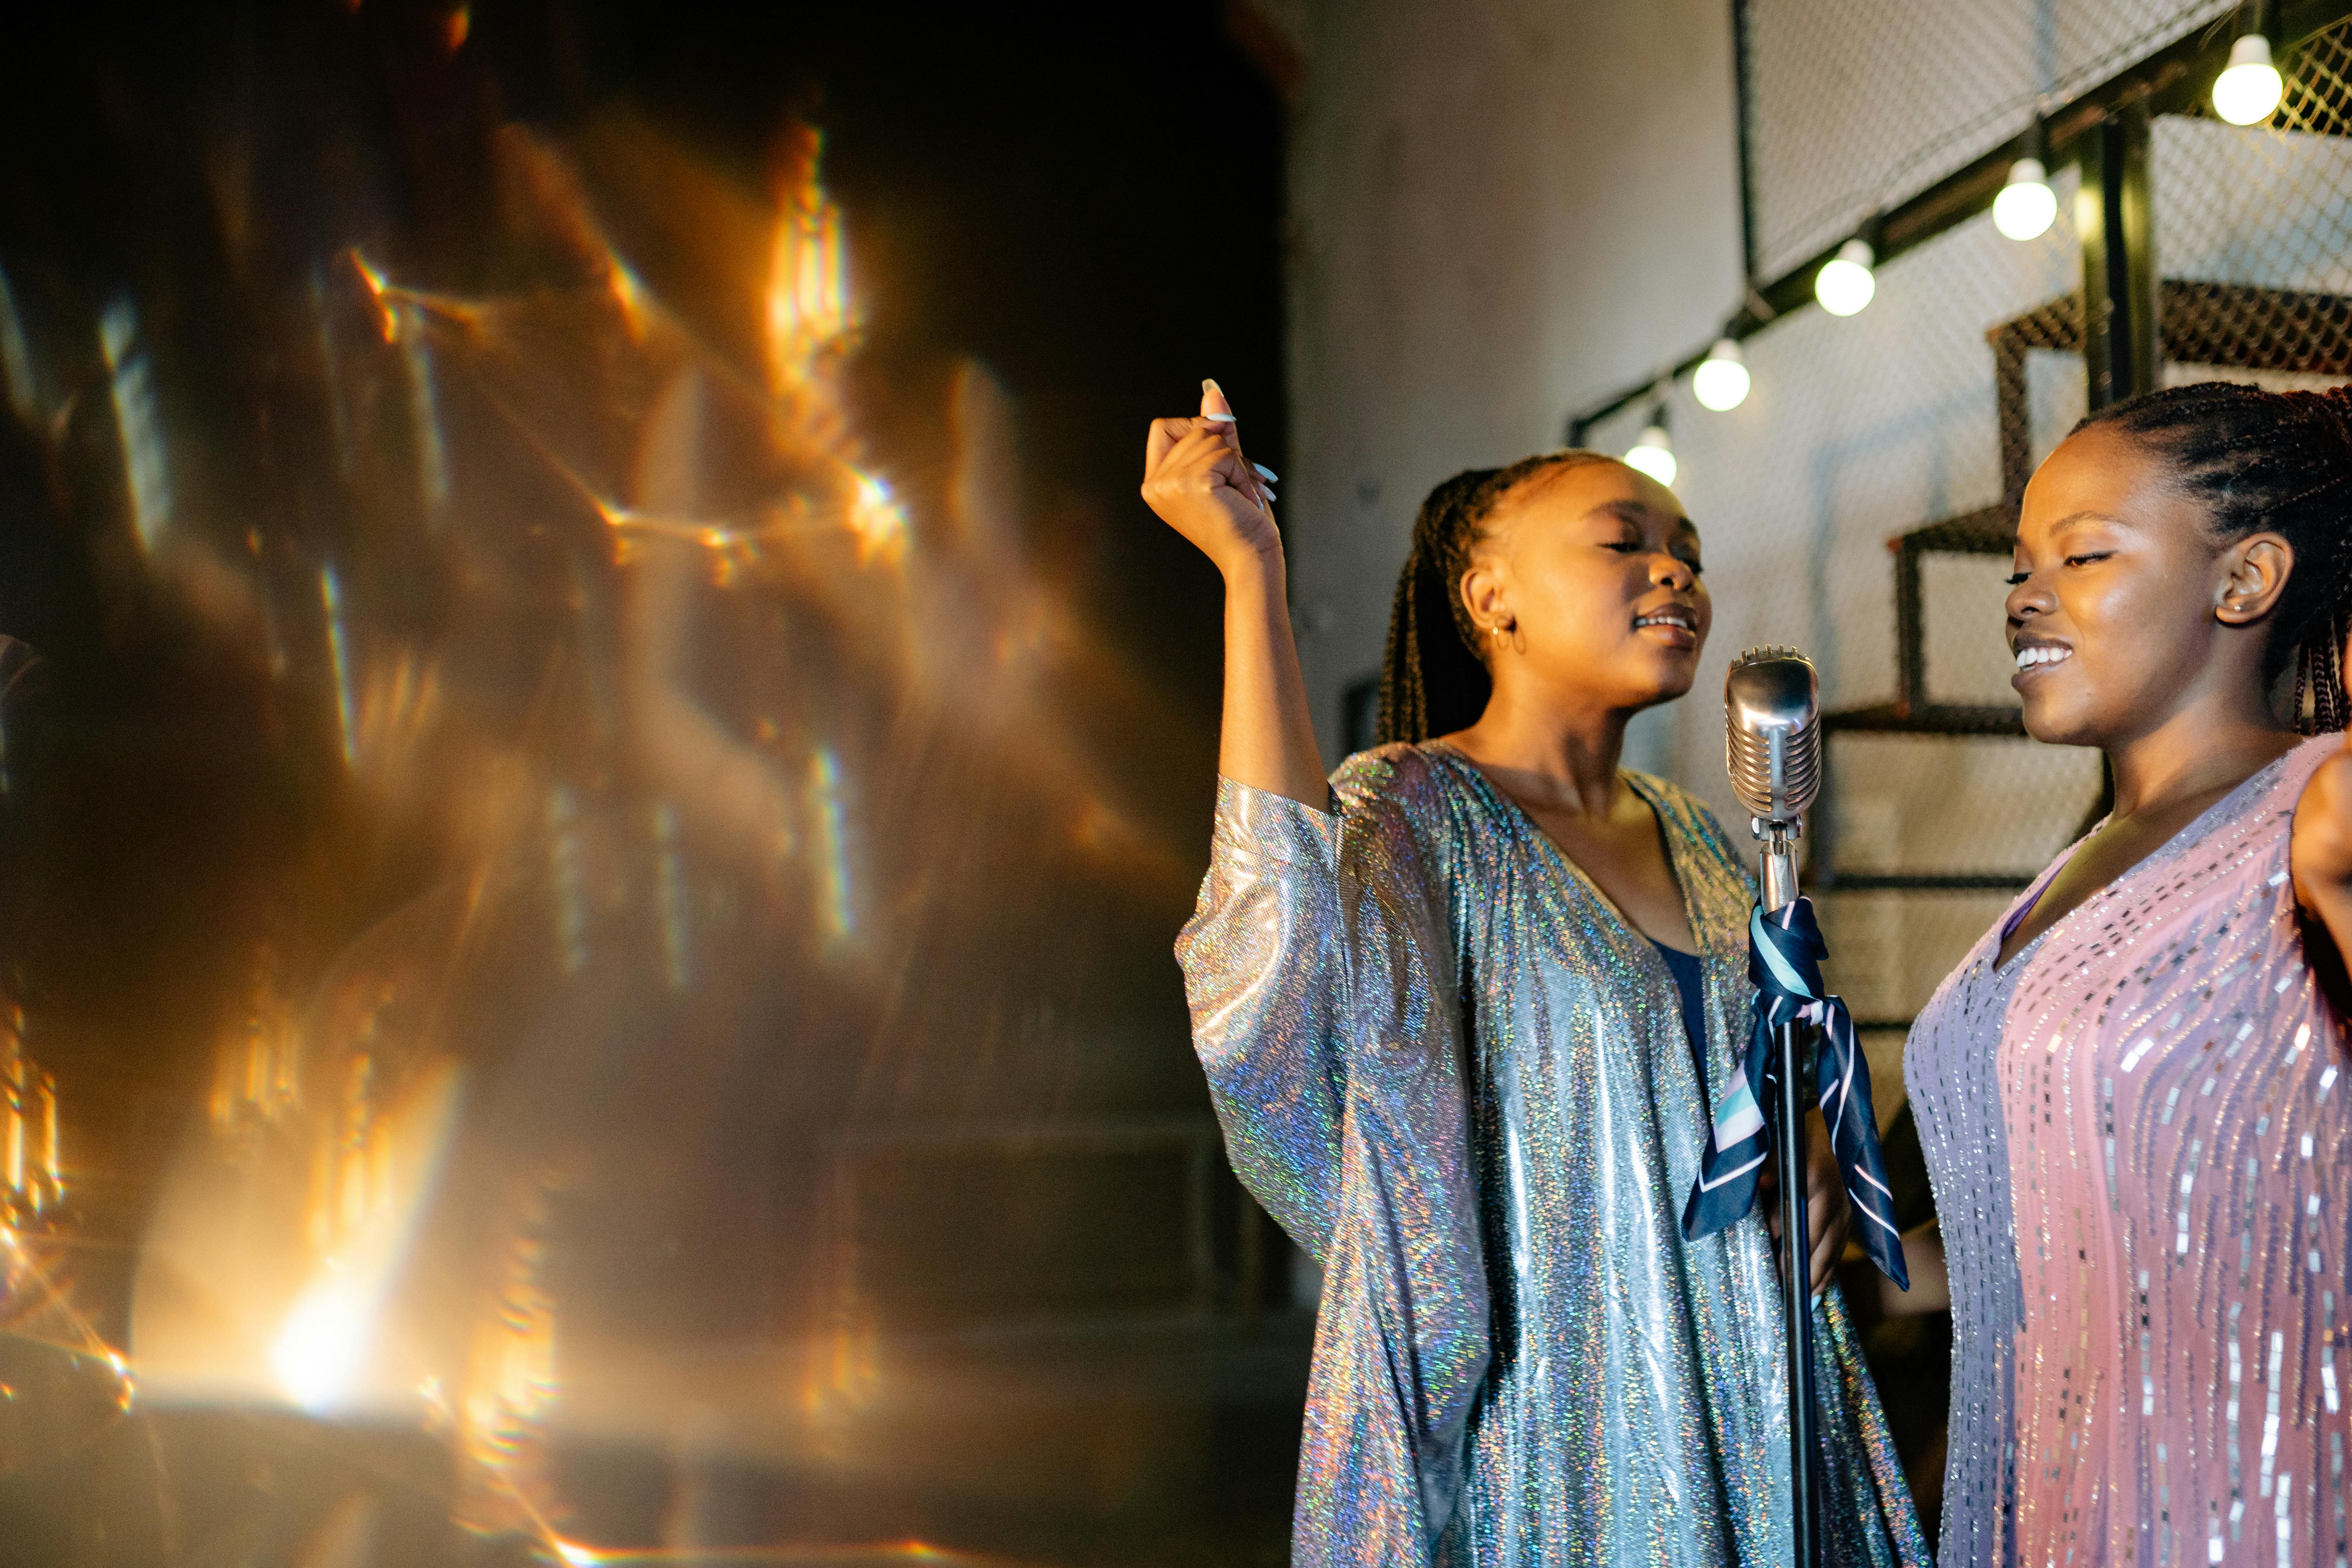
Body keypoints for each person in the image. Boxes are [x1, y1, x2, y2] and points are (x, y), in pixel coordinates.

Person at [1146, 381, 1928, 1565]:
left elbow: (1748, 1065)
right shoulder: (1413, 811)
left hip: (1760, 1400)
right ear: (1489, 594)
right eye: (1627, 543)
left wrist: (1808, 1139)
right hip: (1568, 1437)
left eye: (1689, 555)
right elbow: (1276, 952)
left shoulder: (1706, 834)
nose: (1676, 575)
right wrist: (1249, 573)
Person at [1901, 381, 2352, 1566]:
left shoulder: (2324, 808)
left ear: (2245, 581)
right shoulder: (2064, 874)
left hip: (2255, 1513)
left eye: (2084, 555)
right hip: (2042, 1510)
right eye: (2017, 567)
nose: (2023, 598)